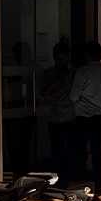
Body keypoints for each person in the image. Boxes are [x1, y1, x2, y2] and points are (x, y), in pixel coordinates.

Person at [66, 40, 101, 201]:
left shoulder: (82, 73)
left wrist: (83, 103)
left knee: (80, 150)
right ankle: (99, 185)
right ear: (100, 55)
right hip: (99, 118)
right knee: (98, 153)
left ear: (86, 55)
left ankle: (79, 183)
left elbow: (73, 97)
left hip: (82, 118)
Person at [36, 39, 76, 176]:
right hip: (58, 116)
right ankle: (61, 175)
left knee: (63, 148)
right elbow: (42, 93)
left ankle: (64, 174)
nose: (61, 61)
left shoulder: (72, 74)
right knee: (58, 148)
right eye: (59, 58)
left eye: (63, 58)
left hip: (64, 116)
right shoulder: (52, 74)